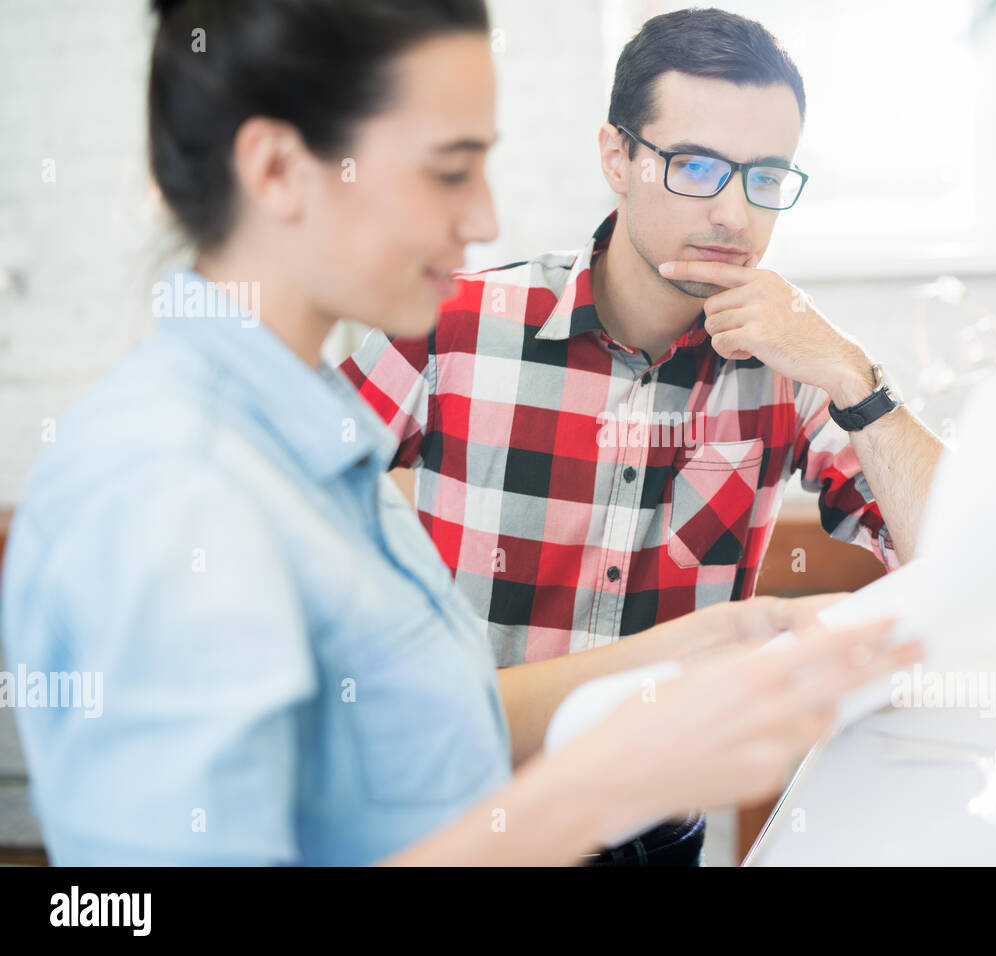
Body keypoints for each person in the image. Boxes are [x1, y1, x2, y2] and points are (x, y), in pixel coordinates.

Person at [0, 0, 923, 866]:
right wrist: (606, 783)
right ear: (278, 172)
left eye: (762, 178)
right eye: (449, 169)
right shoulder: (164, 484)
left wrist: (723, 640)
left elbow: (426, 726)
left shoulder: (314, 442)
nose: (484, 219)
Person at [340, 7, 945, 864]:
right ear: (616, 157)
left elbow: (955, 561)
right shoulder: (453, 326)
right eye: (697, 166)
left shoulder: (789, 365)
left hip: (653, 842)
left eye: (766, 177)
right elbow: (269, 527)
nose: (735, 214)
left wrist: (851, 374)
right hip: (466, 819)